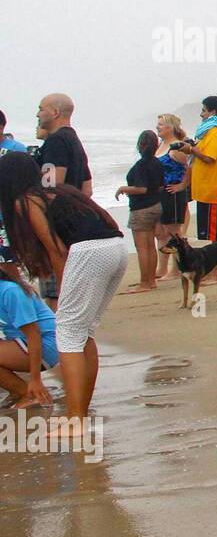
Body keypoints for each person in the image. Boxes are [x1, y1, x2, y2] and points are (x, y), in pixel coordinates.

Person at [0, 151, 127, 428]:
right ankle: (80, 408)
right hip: (116, 247)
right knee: (82, 333)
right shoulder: (57, 191)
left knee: (67, 334)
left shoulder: (26, 200)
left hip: (87, 252)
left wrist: (64, 286)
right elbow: (107, 221)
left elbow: (56, 249)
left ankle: (75, 420)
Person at [179, 96, 217, 245]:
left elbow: (209, 157)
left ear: (213, 112)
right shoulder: (209, 131)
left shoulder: (216, 131)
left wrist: (191, 149)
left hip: (215, 194)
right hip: (207, 193)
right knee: (207, 237)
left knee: (214, 238)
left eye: (204, 110)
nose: (201, 114)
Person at [0, 267, 59, 409]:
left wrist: (36, 379)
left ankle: (29, 394)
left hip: (48, 345)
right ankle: (17, 391)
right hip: (24, 342)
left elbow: (34, 335)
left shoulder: (10, 291)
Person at [115, 130, 164, 294]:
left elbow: (142, 189)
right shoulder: (157, 163)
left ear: (141, 145)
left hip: (142, 208)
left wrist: (123, 189)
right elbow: (159, 186)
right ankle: (150, 280)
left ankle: (144, 282)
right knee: (151, 245)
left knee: (143, 247)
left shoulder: (142, 164)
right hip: (156, 205)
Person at [154, 114, 191, 282]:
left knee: (174, 233)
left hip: (173, 193)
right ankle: (162, 268)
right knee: (161, 233)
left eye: (161, 124)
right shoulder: (161, 145)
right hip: (160, 193)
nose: (157, 127)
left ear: (170, 127)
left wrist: (182, 185)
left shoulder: (176, 148)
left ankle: (176, 269)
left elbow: (191, 166)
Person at [34, 94, 93, 195]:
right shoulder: (74, 140)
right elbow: (87, 190)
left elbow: (51, 187)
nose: (37, 114)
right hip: (73, 208)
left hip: (56, 210)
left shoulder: (56, 140)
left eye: (41, 109)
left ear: (55, 112)